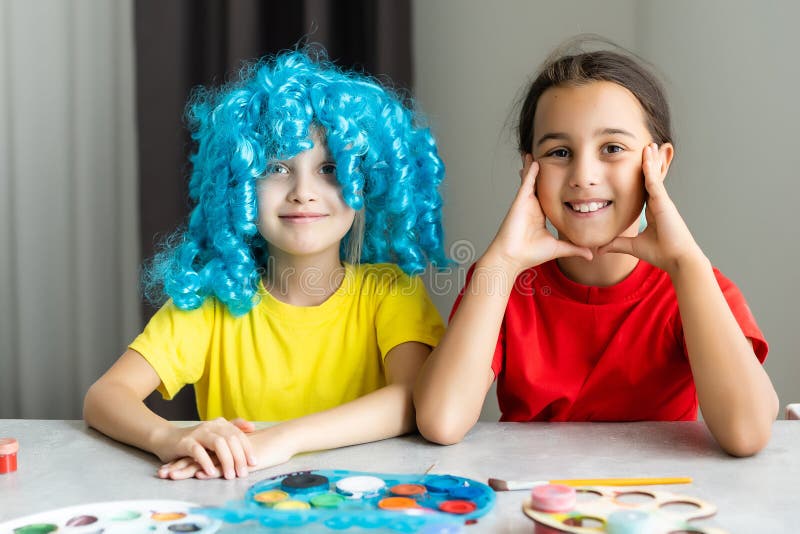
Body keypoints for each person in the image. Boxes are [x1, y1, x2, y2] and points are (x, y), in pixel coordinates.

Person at [84, 48, 448, 480]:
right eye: (277, 167)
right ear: (238, 183)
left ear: (365, 183)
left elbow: (412, 399)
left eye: (330, 169)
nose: (303, 192)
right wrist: (170, 438)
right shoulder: (211, 303)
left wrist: (283, 440)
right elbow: (105, 396)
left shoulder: (390, 292)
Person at [413, 39, 778, 457]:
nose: (584, 175)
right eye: (560, 152)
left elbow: (747, 433)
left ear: (659, 163)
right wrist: (502, 261)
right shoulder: (502, 283)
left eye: (612, 149)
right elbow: (441, 420)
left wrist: (686, 262)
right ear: (529, 169)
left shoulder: (695, 284)